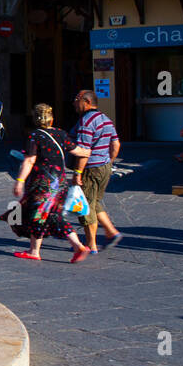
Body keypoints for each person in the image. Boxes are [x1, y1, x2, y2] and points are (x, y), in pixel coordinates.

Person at [2, 103, 92, 263]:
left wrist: (20, 181)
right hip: (60, 182)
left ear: (35, 119)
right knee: (53, 215)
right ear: (51, 118)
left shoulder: (34, 136)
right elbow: (77, 151)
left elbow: (29, 161)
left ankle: (35, 251)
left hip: (43, 183)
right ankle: (77, 245)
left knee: (38, 215)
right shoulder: (60, 133)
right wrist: (89, 151)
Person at [70, 89, 123, 253]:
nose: (74, 102)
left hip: (90, 168)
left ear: (86, 102)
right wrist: (109, 162)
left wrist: (77, 173)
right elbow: (116, 144)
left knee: (84, 206)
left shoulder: (86, 121)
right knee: (95, 202)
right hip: (104, 166)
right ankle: (111, 232)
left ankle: (91, 244)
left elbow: (84, 151)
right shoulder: (106, 119)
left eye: (77, 99)